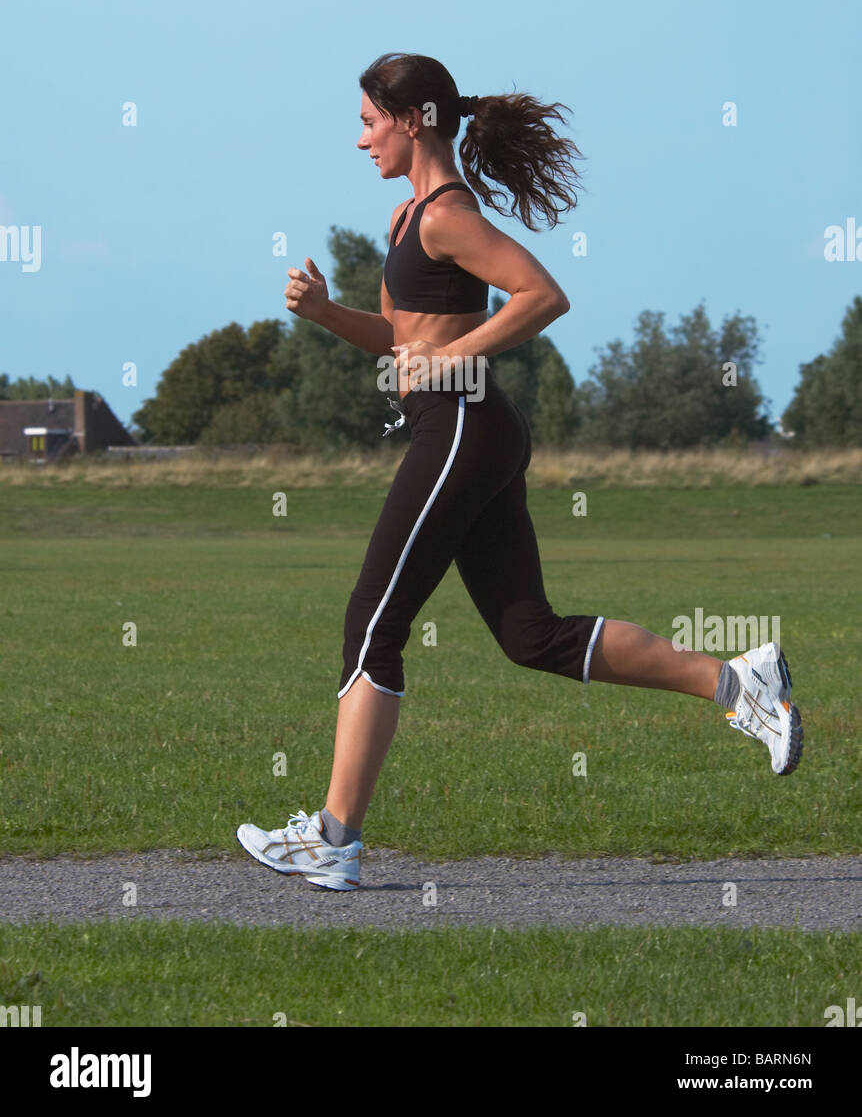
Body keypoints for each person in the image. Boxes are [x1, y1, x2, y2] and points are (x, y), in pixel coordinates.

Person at [236, 52, 803, 892]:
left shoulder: (446, 215)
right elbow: (402, 340)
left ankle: (333, 837)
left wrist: (450, 359)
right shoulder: (405, 220)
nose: (359, 141)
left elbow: (541, 294)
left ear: (415, 118)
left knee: (373, 621)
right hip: (468, 429)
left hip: (463, 428)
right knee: (528, 634)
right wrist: (325, 315)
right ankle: (738, 681)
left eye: (367, 121)